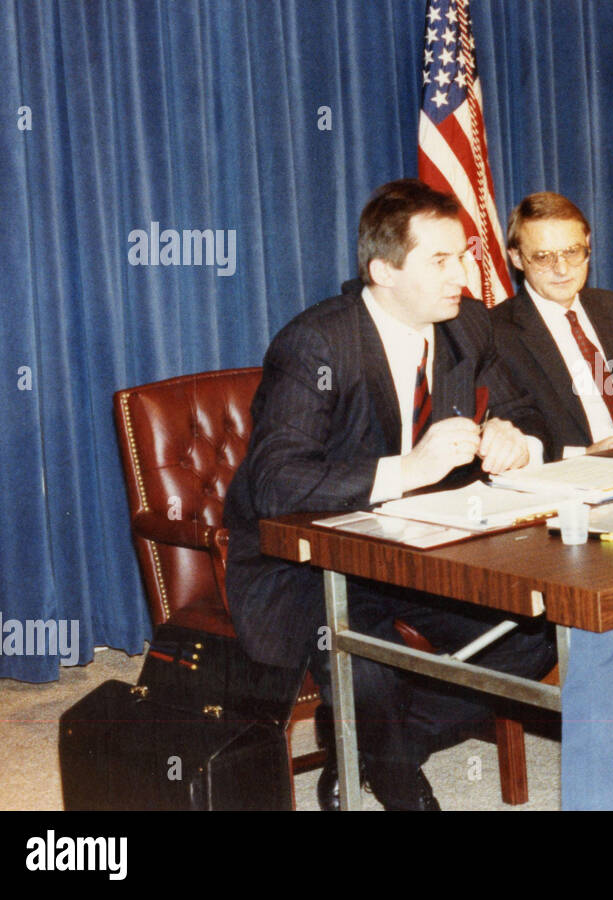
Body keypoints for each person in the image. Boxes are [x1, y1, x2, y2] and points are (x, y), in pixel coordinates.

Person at [223, 179, 556, 810]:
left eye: (464, 255)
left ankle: (381, 747)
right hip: (309, 560)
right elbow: (275, 483)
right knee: (365, 659)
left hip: (421, 547)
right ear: (382, 271)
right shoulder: (317, 344)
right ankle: (401, 782)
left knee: (534, 630)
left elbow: (524, 416)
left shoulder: (468, 325)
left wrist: (515, 439)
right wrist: (408, 468)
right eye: (441, 260)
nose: (464, 273)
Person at [490, 192, 613, 460]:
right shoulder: (497, 332)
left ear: (588, 245)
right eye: (544, 257)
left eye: (572, 252)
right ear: (517, 258)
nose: (562, 269)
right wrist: (585, 454)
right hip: (571, 478)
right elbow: (518, 437)